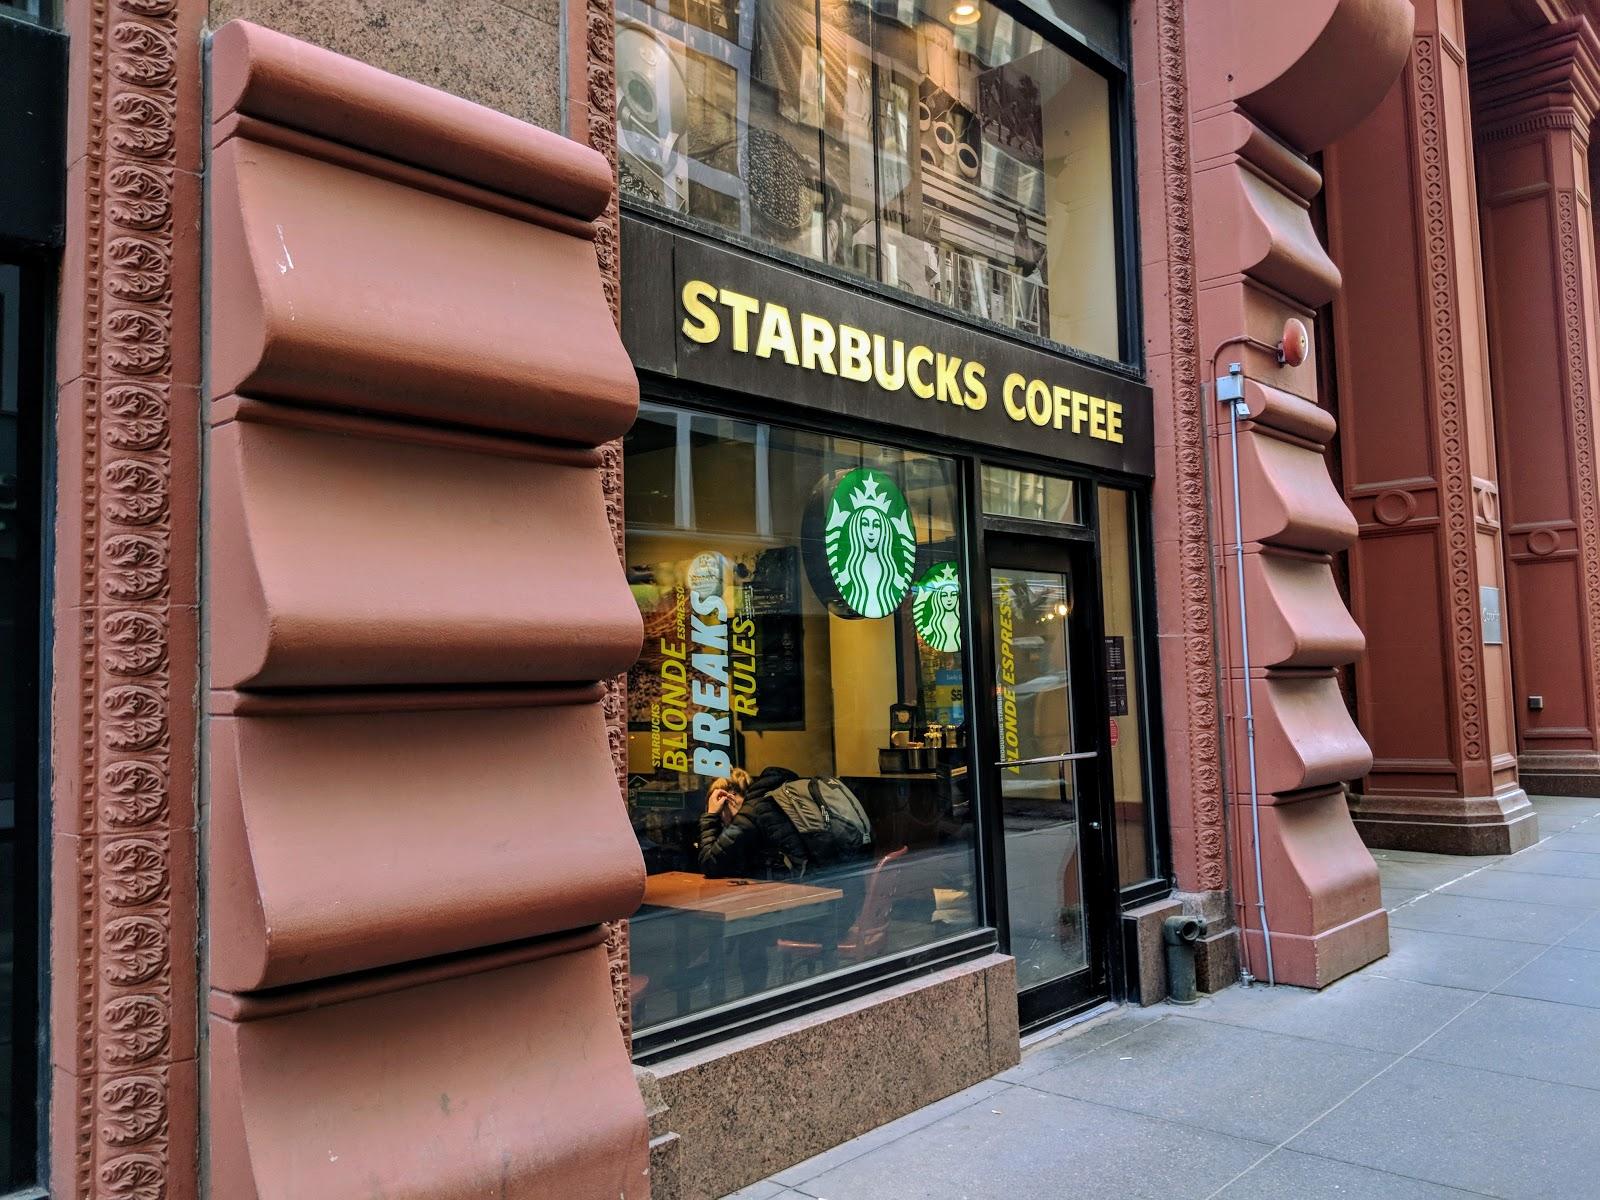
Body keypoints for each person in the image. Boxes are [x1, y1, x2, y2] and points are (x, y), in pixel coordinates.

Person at [697, 766, 807, 879]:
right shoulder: (767, 803)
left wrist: (711, 816)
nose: (722, 821)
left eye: (720, 813)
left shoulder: (748, 816)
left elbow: (709, 864)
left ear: (728, 799)